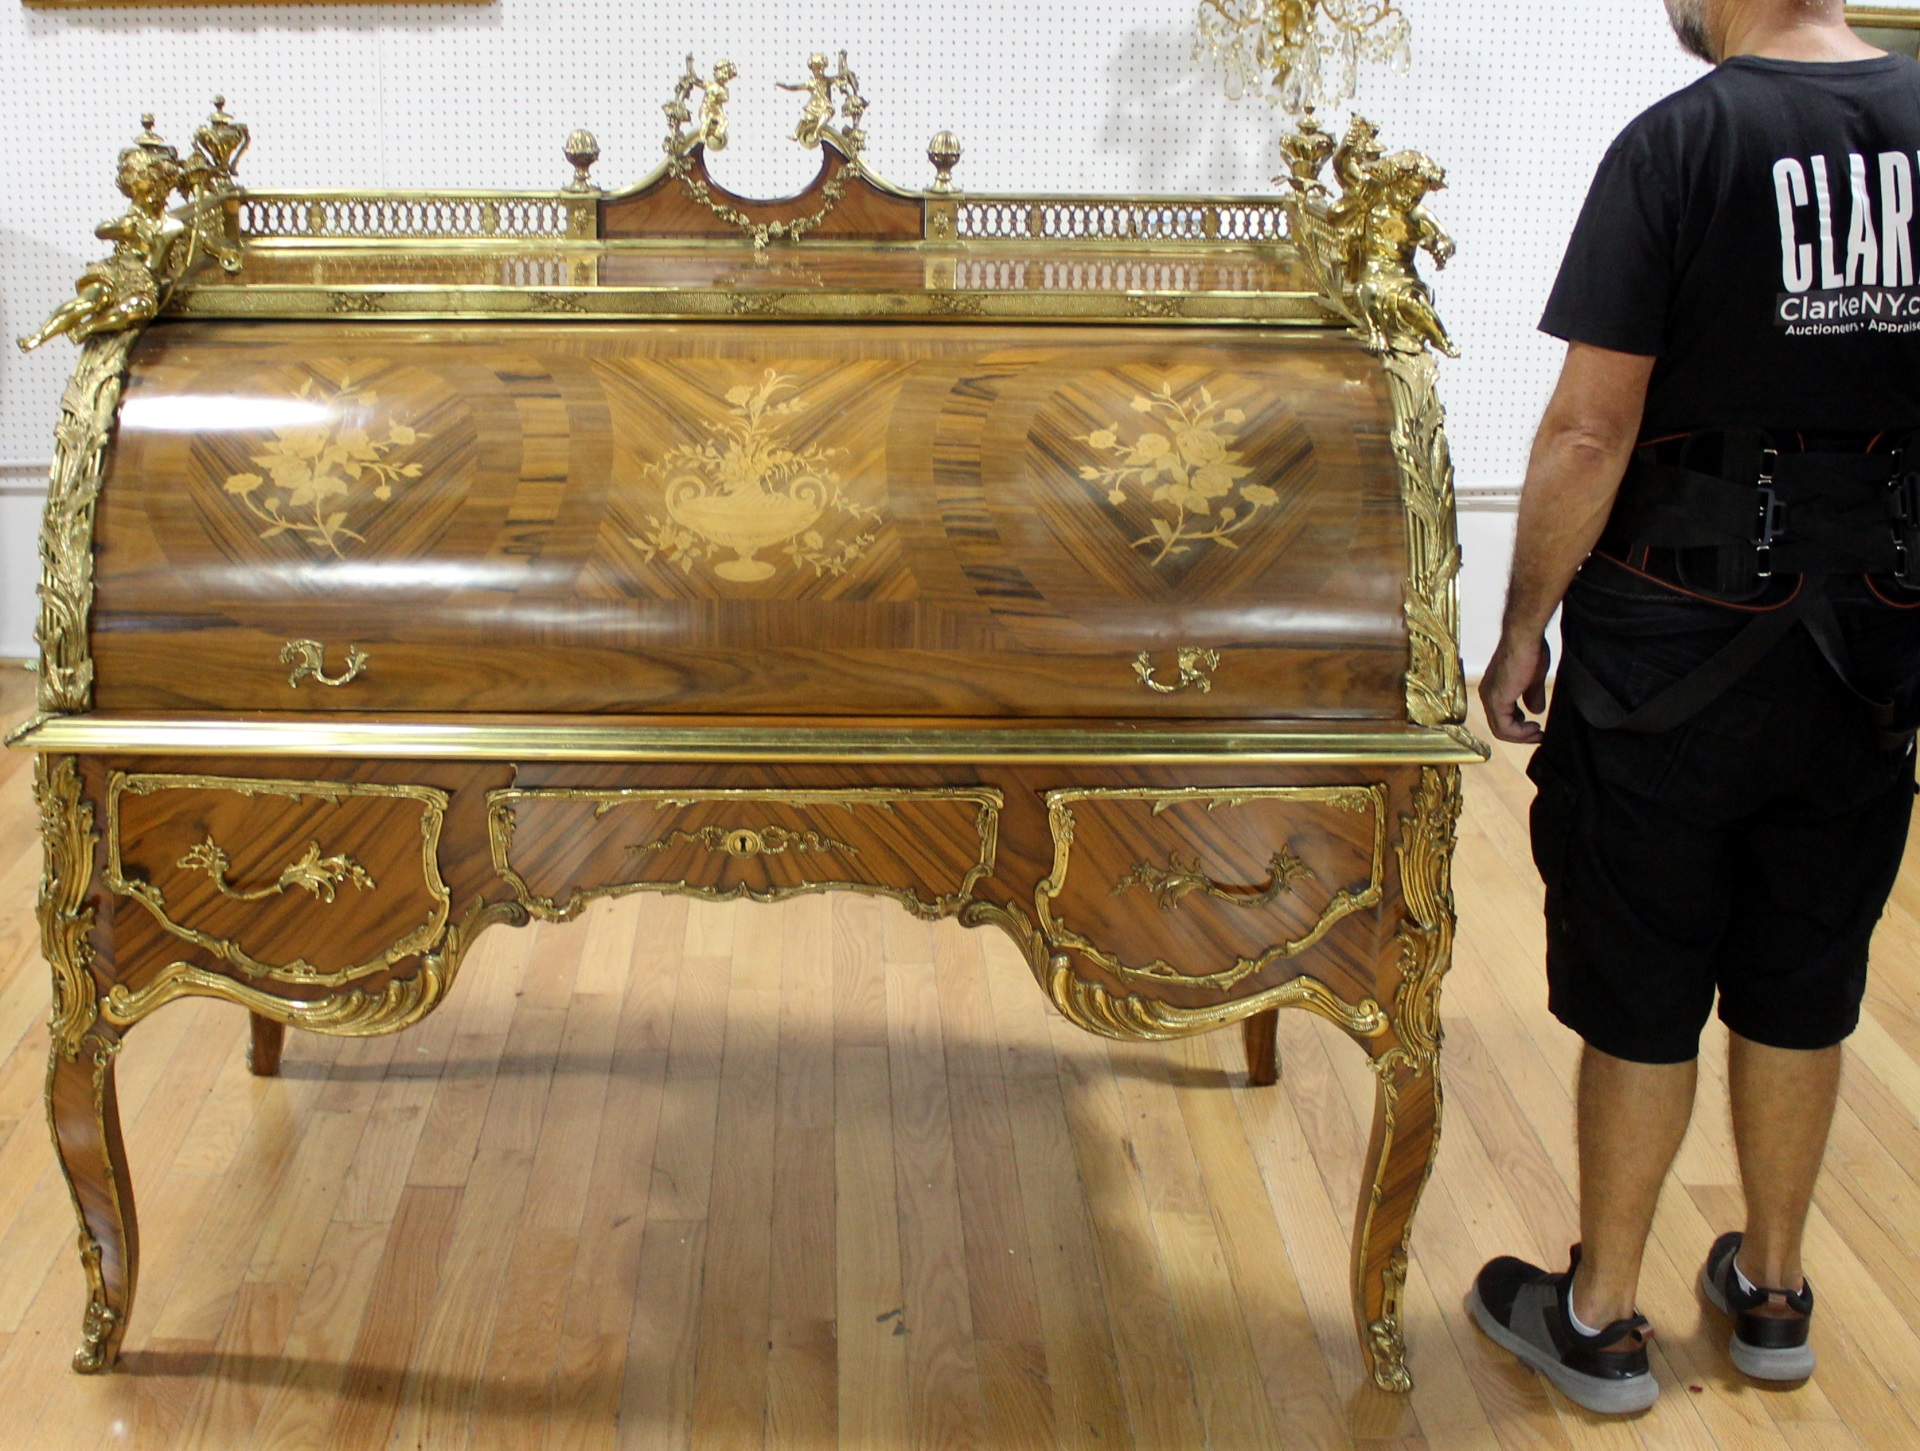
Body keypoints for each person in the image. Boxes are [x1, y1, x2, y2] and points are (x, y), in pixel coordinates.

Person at [1469, 0, 1920, 1415]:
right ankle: (1774, 1291)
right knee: (1808, 965)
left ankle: (1601, 1315)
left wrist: (1521, 626)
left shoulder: (1684, 144)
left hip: (1675, 654)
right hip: (1878, 649)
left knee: (1645, 976)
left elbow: (1591, 428)